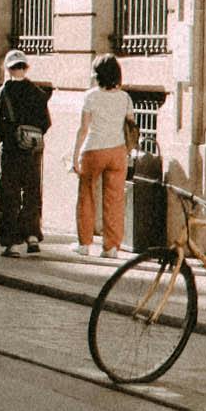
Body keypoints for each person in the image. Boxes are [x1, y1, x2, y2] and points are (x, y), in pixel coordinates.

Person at [72, 55, 136, 259]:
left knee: (87, 196)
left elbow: (83, 129)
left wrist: (75, 155)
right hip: (118, 151)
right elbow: (131, 126)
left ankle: (84, 243)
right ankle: (111, 247)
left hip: (93, 150)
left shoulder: (90, 96)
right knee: (115, 200)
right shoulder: (125, 98)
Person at [0, 50, 53, 256]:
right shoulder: (37, 92)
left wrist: (14, 135)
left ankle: (11, 243)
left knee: (9, 196)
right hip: (32, 152)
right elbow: (46, 122)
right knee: (32, 193)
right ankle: (32, 236)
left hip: (10, 150)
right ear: (26, 68)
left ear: (7, 69)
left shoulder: (2, 93)